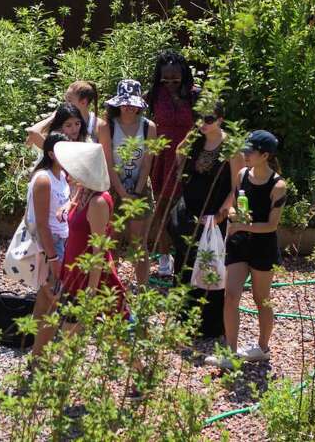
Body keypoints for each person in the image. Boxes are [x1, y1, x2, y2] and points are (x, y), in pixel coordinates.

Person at [33, 141, 126, 351]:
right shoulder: (83, 192)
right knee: (78, 329)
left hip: (91, 276)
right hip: (74, 272)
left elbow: (98, 250)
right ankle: (57, 373)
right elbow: (73, 203)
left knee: (115, 330)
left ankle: (142, 372)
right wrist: (66, 208)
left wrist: (91, 292)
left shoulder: (98, 202)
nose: (67, 172)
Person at [207, 131, 287, 370]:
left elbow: (272, 225)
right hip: (240, 242)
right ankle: (231, 352)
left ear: (265, 155)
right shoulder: (242, 175)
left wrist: (243, 224)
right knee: (230, 295)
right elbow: (232, 205)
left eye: (250, 151)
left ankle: (262, 348)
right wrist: (233, 216)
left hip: (263, 246)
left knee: (261, 299)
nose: (245, 154)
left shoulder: (278, 185)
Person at [169, 101, 243, 339]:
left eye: (208, 120)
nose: (203, 124)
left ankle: (208, 326)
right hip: (189, 211)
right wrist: (191, 136)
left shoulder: (231, 147)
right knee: (184, 264)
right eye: (199, 118)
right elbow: (178, 156)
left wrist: (223, 213)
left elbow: (238, 186)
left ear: (221, 119)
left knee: (210, 267)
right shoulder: (195, 139)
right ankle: (183, 320)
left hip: (213, 216)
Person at [145, 51, 197, 279]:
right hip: (162, 157)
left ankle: (188, 257)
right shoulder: (155, 95)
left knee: (188, 209)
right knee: (163, 208)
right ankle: (165, 258)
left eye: (175, 78)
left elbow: (203, 126)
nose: (170, 83)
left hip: (188, 157)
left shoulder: (195, 96)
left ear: (184, 75)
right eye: (166, 78)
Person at [104, 79, 156, 285]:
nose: (129, 108)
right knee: (112, 240)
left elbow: (146, 164)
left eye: (133, 104)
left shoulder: (148, 127)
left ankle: (143, 290)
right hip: (113, 187)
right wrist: (122, 194)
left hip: (139, 187)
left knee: (138, 243)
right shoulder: (108, 125)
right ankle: (111, 287)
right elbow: (108, 163)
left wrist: (135, 192)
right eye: (125, 103)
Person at [26, 133, 70, 361]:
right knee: (54, 302)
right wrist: (53, 259)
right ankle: (41, 357)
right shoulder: (44, 179)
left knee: (44, 302)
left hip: (62, 240)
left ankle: (35, 352)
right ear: (51, 153)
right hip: (50, 244)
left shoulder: (62, 175)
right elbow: (42, 224)